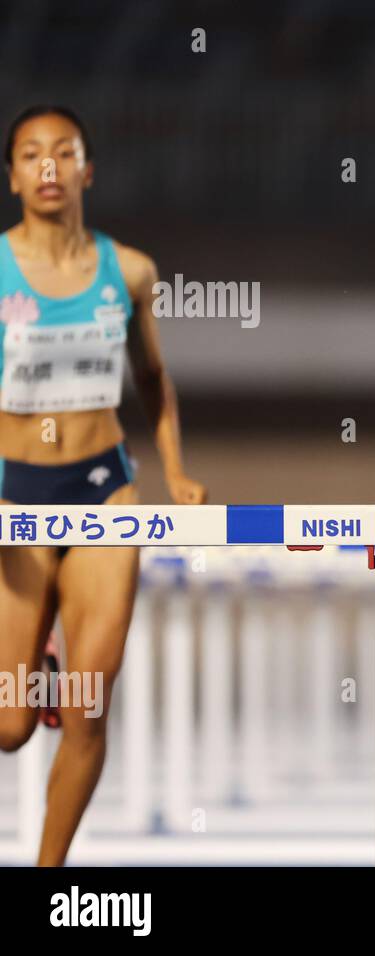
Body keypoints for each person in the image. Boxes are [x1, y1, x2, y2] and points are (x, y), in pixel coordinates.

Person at [0, 105, 206, 864]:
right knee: (9, 726)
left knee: (89, 713)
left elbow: (152, 378)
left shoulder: (131, 271)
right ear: (14, 175)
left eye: (64, 153)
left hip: (103, 494)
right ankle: (36, 679)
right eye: (30, 155)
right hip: (14, 496)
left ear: (87, 170)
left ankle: (46, 876)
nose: (48, 168)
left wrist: (175, 470)